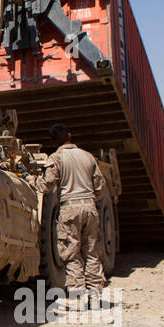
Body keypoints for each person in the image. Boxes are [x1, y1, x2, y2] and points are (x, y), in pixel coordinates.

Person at [39, 124, 106, 307]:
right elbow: (100, 186)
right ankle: (95, 296)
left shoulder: (57, 157)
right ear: (70, 135)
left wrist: (32, 181)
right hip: (90, 207)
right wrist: (90, 199)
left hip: (70, 208)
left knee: (71, 253)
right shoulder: (88, 156)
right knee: (92, 253)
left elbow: (46, 185)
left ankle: (78, 297)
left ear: (53, 141)